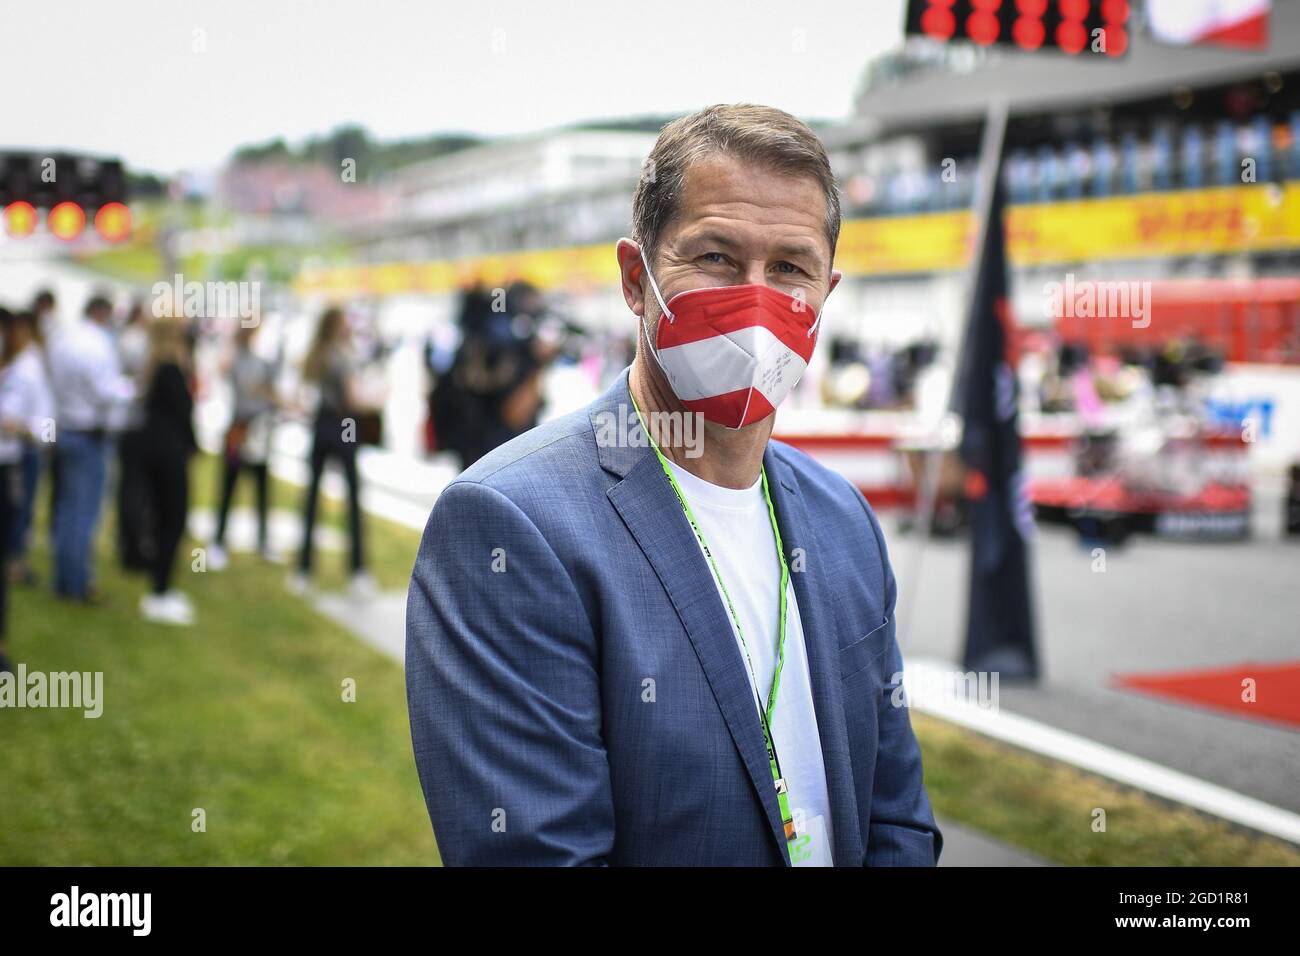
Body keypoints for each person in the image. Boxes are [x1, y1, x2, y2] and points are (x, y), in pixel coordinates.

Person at [406, 104, 942, 866]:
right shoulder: (511, 526)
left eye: (790, 268)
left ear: (828, 293)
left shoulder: (843, 519)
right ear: (636, 279)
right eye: (717, 258)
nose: (756, 302)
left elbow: (898, 822)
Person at [45, 295, 133, 602]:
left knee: (68, 510)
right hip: (88, 434)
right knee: (85, 514)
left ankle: (64, 578)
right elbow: (105, 391)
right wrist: (131, 388)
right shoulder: (96, 344)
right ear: (103, 312)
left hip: (66, 428)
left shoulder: (63, 337)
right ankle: (77, 582)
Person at [292, 307, 371, 596]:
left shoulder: (316, 355)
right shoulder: (343, 356)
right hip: (344, 424)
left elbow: (304, 395)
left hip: (321, 426)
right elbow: (354, 399)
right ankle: (358, 571)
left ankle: (303, 569)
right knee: (352, 498)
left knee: (312, 497)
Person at [136, 318, 197, 625]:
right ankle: (160, 590)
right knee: (172, 519)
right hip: (168, 455)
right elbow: (185, 413)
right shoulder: (170, 370)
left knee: (163, 518)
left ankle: (161, 586)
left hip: (157, 452)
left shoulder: (156, 367)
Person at [209, 322, 279, 569]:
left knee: (261, 487)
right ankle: (218, 541)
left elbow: (271, 391)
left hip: (259, 427)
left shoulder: (262, 361)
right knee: (229, 485)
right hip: (239, 427)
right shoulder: (236, 357)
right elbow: (224, 373)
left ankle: (263, 541)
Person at [1, 310, 54, 585]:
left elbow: (47, 427)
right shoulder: (13, 367)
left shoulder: (30, 371)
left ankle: (15, 562)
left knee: (18, 512)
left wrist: (20, 428)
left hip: (22, 454)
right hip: (11, 454)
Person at [114, 301, 152, 571]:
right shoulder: (137, 342)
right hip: (135, 425)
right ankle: (131, 546)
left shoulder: (126, 339)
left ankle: (127, 541)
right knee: (134, 489)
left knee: (129, 487)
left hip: (128, 425)